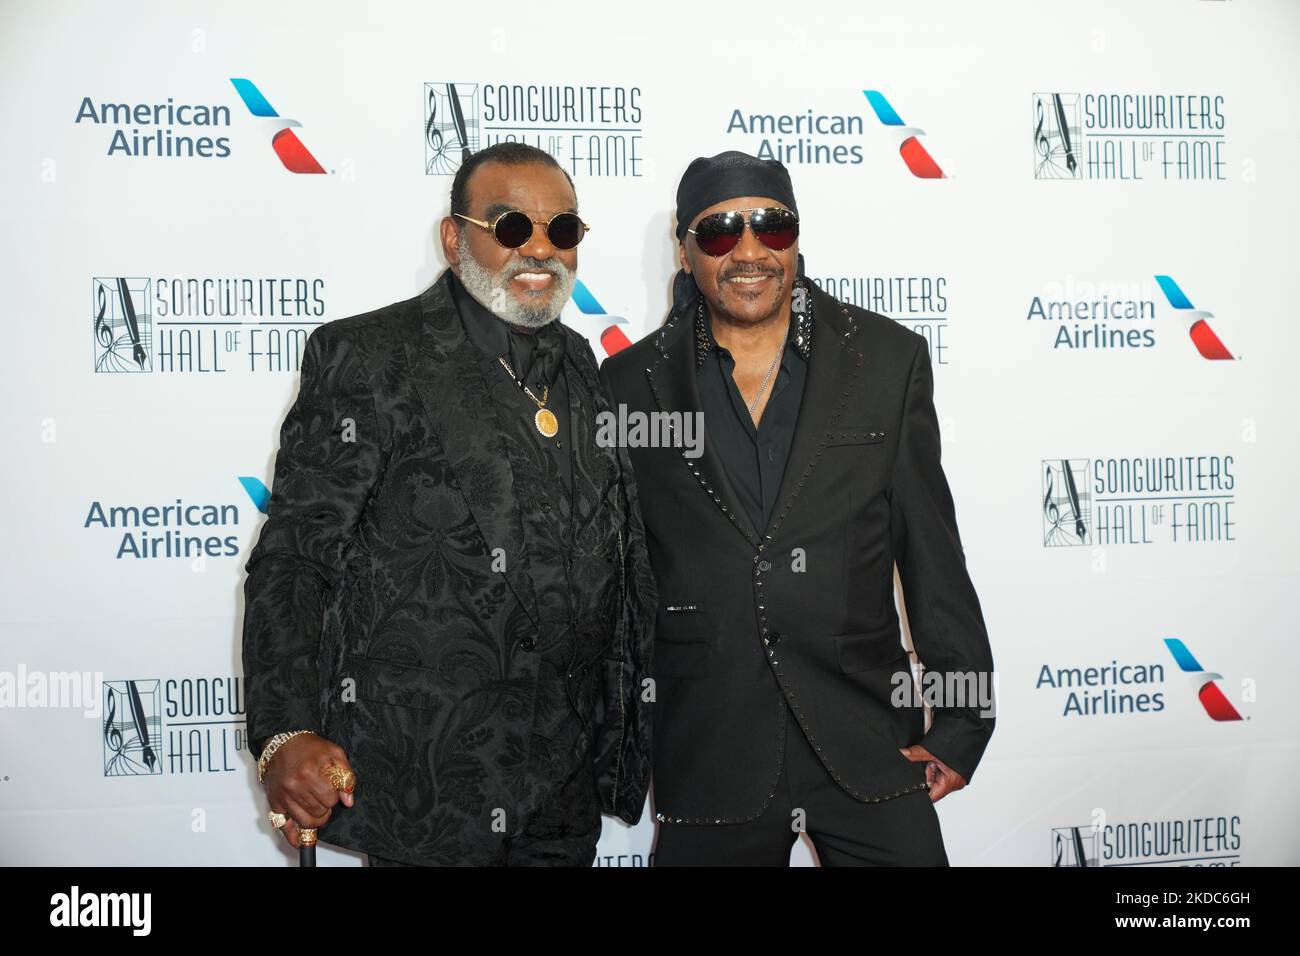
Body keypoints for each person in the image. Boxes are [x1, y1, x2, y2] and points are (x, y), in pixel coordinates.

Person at [241, 141, 656, 866]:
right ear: (453, 236)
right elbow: (295, 560)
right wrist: (284, 732)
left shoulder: (585, 369)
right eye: (509, 227)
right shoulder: (370, 356)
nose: (539, 248)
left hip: (561, 798)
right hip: (426, 792)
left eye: (562, 230)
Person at [599, 150, 994, 866]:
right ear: (685, 252)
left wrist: (963, 723)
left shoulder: (885, 359)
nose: (749, 251)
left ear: (797, 240)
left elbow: (932, 550)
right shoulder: (628, 386)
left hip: (868, 738)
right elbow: (616, 582)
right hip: (709, 744)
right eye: (720, 233)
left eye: (772, 228)